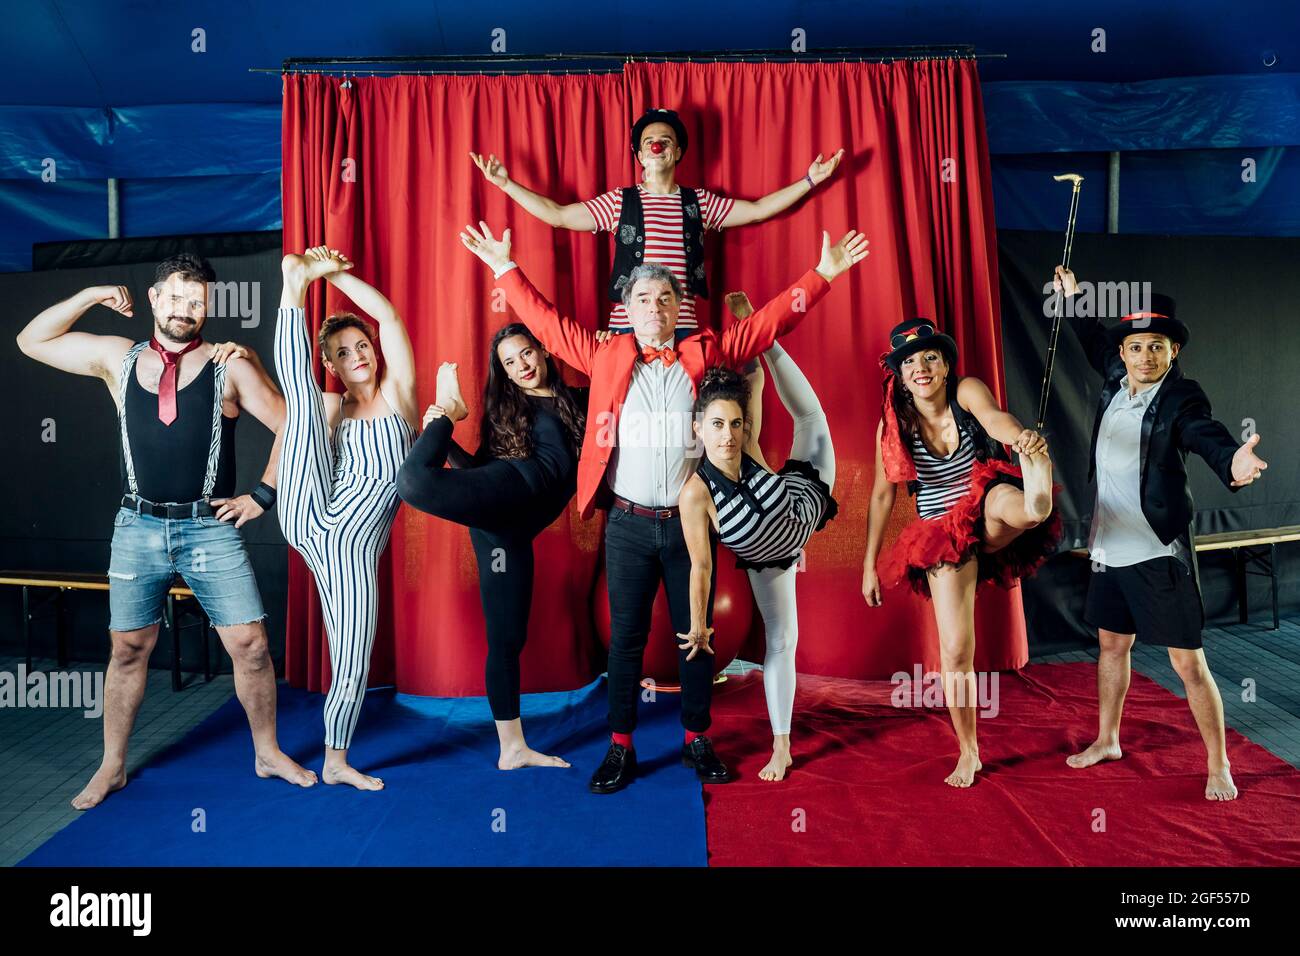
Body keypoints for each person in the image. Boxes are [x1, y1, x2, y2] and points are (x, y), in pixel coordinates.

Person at [460, 218, 867, 793]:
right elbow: (546, 325)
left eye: (666, 297)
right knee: (624, 640)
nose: (655, 306)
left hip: (689, 522)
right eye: (644, 297)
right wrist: (505, 267)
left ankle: (696, 739)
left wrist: (822, 274)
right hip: (626, 522)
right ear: (627, 307)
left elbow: (767, 323)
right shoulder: (603, 353)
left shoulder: (705, 351)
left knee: (696, 631)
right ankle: (620, 747)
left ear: (680, 308)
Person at [16, 252, 317, 809]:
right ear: (154, 300)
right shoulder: (117, 357)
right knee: (128, 648)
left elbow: (296, 424)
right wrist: (91, 295)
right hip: (137, 524)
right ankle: (111, 766)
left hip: (209, 527)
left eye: (197, 300)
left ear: (208, 307)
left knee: (250, 645)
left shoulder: (231, 365)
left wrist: (263, 495)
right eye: (176, 297)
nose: (186, 309)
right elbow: (32, 340)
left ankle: (268, 752)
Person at [1054, 268, 1267, 801]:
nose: (1145, 356)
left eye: (1157, 347)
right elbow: (1092, 338)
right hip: (1107, 547)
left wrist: (1231, 464)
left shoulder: (1182, 398)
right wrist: (1073, 297)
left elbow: (1205, 435)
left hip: (1155, 550)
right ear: (1124, 353)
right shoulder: (1114, 374)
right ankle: (1108, 740)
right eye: (1136, 346)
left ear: (1174, 352)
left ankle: (1219, 764)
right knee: (1111, 645)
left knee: (1187, 663)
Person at [861, 317, 1060, 788]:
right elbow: (882, 495)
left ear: (946, 365)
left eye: (930, 357)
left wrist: (1019, 439)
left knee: (1006, 503)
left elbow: (996, 420)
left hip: (983, 500)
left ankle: (1036, 497)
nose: (921, 367)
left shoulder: (966, 390)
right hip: (939, 532)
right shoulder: (892, 424)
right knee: (955, 651)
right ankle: (969, 751)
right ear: (900, 375)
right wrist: (869, 563)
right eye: (909, 362)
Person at [396, 322, 587, 770]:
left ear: (543, 350)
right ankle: (445, 411)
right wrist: (444, 440)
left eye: (526, 353)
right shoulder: (507, 407)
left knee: (507, 639)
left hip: (511, 530)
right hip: (511, 487)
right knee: (414, 482)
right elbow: (482, 471)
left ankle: (512, 747)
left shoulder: (580, 398)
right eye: (509, 362)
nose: (521, 366)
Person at [471, 107, 844, 331]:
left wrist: (810, 180)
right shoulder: (620, 201)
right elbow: (559, 217)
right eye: (650, 139)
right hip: (627, 333)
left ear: (677, 151)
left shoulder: (698, 202)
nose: (657, 143)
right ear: (638, 154)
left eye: (665, 139)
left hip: (683, 333)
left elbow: (760, 208)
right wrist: (505, 183)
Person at [275, 246, 419, 791]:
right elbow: (298, 438)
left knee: (352, 658)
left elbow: (389, 318)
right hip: (311, 515)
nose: (358, 354)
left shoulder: (399, 396)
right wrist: (263, 495)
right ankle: (293, 288)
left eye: (361, 346)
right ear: (331, 364)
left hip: (355, 549)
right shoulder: (333, 407)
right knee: (304, 406)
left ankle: (336, 760)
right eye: (343, 351)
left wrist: (336, 275)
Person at [679, 302, 838, 782]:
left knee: (811, 415)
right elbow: (701, 568)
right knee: (783, 641)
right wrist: (699, 626)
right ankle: (782, 746)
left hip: (807, 493)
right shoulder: (696, 493)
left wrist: (754, 332)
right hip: (773, 560)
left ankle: (768, 337)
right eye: (716, 426)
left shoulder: (747, 445)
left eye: (735, 424)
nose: (727, 435)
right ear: (698, 430)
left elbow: (758, 385)